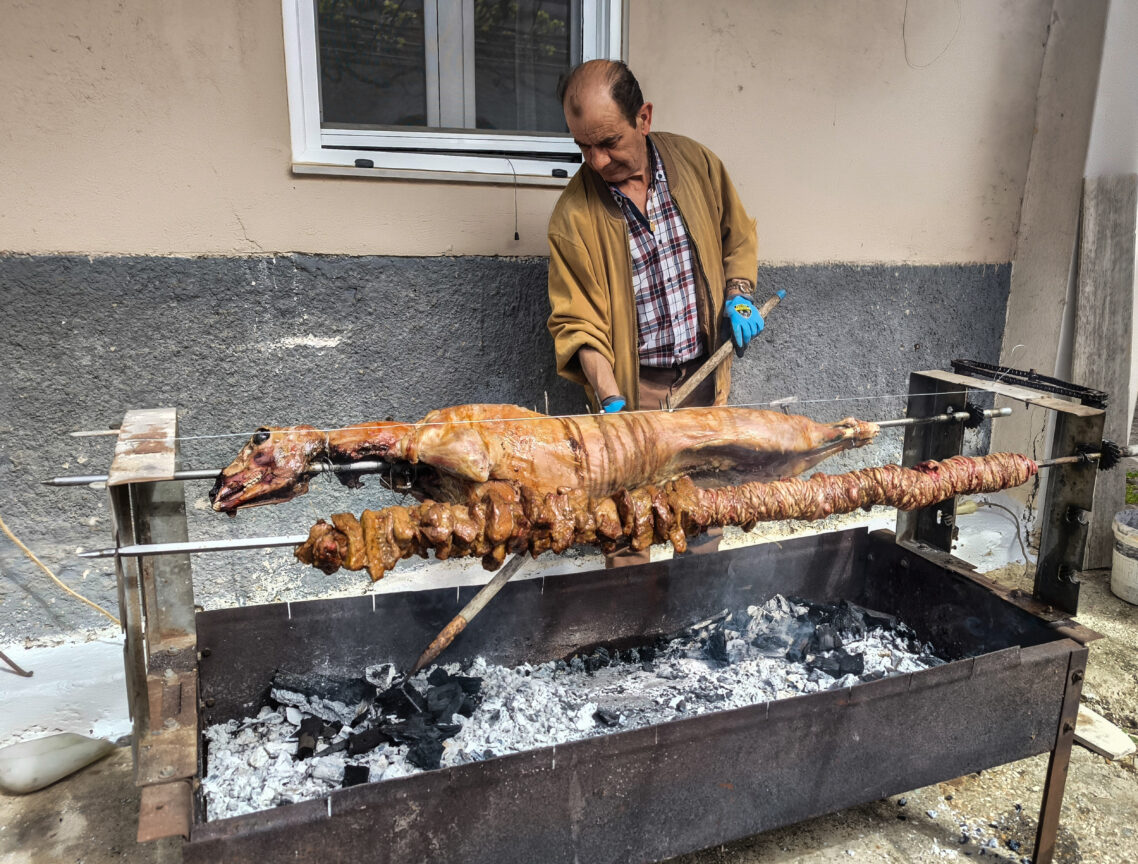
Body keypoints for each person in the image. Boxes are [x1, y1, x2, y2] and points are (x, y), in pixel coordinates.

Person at [546, 59, 761, 566]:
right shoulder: (572, 217)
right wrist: (611, 399)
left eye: (608, 142)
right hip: (634, 391)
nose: (596, 161)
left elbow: (738, 235)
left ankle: (700, 617)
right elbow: (577, 324)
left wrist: (740, 292)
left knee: (703, 516)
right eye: (582, 147)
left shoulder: (696, 165)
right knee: (627, 527)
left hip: (705, 380)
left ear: (643, 117)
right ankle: (631, 626)